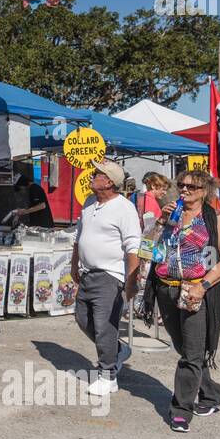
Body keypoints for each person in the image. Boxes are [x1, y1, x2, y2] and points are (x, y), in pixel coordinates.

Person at [145, 169, 220, 432]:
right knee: (185, 349)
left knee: (192, 354)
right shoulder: (170, 215)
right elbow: (146, 248)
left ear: (204, 191)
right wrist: (160, 222)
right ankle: (213, 394)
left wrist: (203, 286)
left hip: (197, 290)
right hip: (166, 289)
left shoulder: (213, 218)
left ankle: (181, 409)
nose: (184, 191)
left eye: (191, 188)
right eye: (181, 185)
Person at [71, 158, 142, 396]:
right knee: (82, 319)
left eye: (97, 174)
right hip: (87, 272)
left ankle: (108, 375)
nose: (91, 176)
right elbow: (79, 237)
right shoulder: (90, 202)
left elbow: (133, 246)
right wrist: (74, 265)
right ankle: (117, 350)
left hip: (110, 276)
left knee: (104, 326)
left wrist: (132, 280)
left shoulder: (124, 208)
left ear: (109, 182)